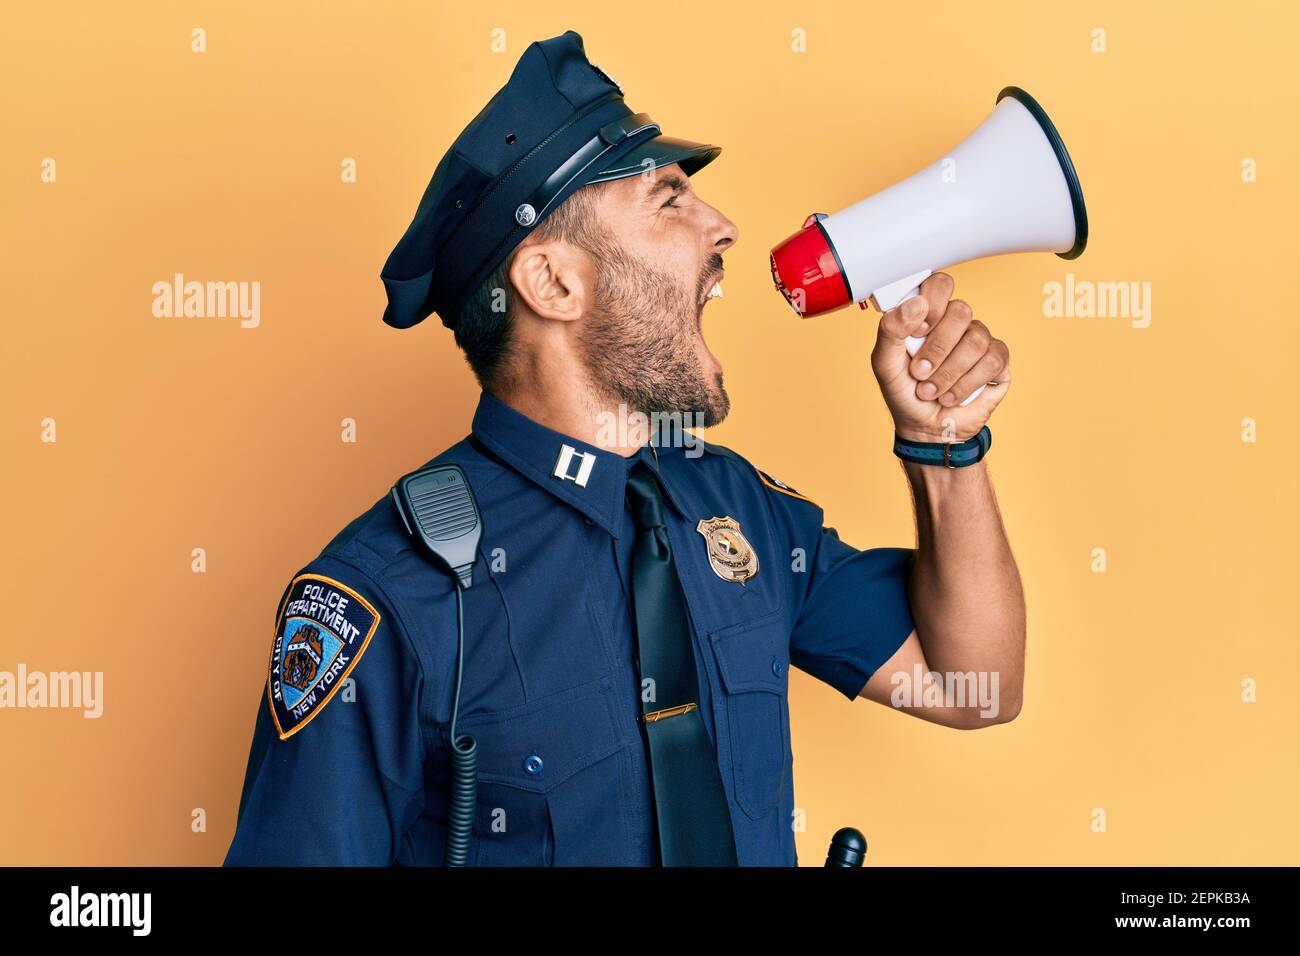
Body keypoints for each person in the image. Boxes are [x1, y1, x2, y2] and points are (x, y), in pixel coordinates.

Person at [224, 30, 1025, 867]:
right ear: (554, 283)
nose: (724, 227)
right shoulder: (386, 591)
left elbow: (973, 686)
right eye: (670, 198)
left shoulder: (737, 510)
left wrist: (943, 447)